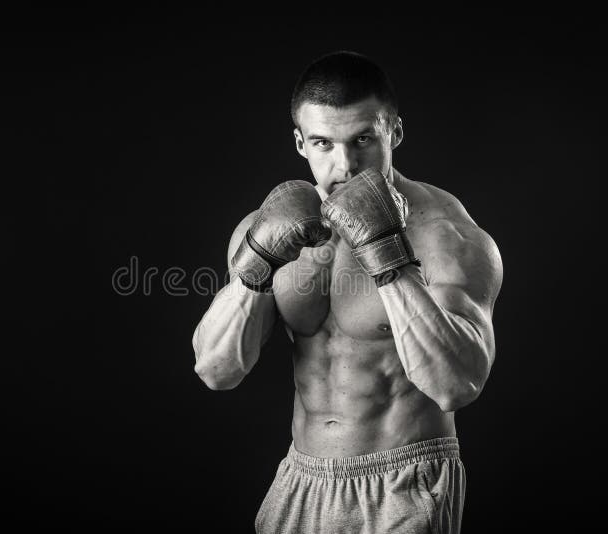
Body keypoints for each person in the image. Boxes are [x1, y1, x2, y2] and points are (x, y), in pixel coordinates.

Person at [192, 51, 503, 534]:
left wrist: (387, 252)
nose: (345, 164)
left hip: (405, 482)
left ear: (393, 132)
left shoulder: (445, 234)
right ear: (300, 142)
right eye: (323, 143)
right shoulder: (272, 227)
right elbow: (216, 370)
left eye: (363, 139)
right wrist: (256, 266)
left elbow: (456, 384)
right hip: (304, 478)